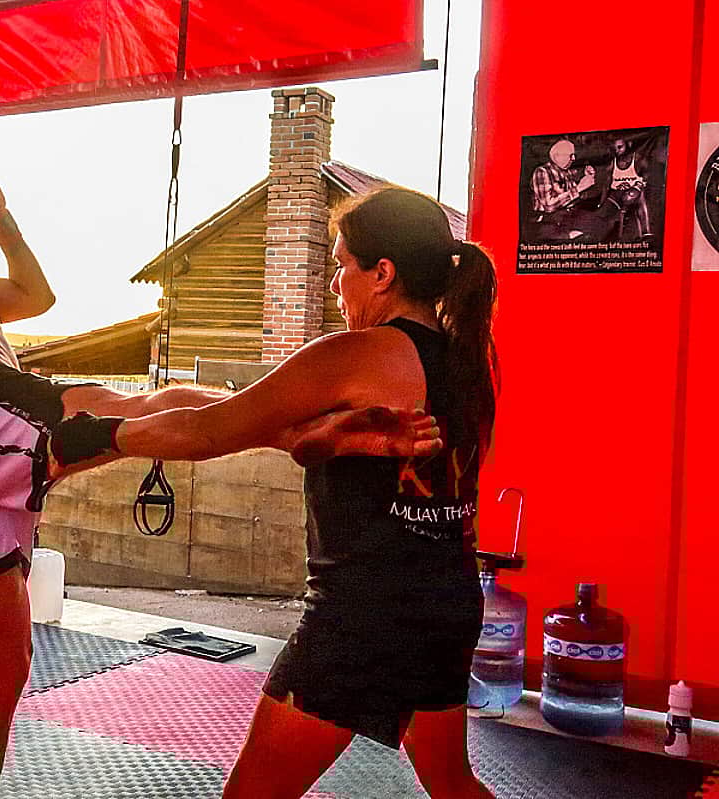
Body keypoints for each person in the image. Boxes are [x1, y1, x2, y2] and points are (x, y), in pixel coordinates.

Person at [0, 138, 443, 799]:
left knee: (8, 663)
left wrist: (1, 219)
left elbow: (39, 297)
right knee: (145, 403)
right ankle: (304, 432)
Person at [52, 187, 500, 799]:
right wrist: (318, 437)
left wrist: (92, 436)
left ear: (382, 274)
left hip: (362, 616)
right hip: (447, 601)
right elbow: (284, 430)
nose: (336, 285)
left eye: (343, 267)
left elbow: (213, 429)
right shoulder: (468, 361)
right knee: (452, 782)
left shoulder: (358, 353)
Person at [529, 138, 600, 241]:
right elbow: (549, 205)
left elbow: (574, 195)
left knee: (600, 224)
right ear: (557, 156)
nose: (574, 158)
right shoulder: (542, 172)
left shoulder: (566, 171)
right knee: (581, 237)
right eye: (570, 155)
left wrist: (586, 177)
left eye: (574, 155)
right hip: (549, 220)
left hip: (568, 214)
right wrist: (579, 188)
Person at [597, 136, 651, 240]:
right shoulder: (613, 163)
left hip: (634, 193)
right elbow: (606, 185)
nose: (617, 151)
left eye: (620, 147)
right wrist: (601, 203)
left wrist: (639, 185)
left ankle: (645, 232)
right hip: (616, 194)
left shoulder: (638, 159)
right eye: (615, 148)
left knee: (636, 196)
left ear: (628, 145)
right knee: (602, 217)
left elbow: (647, 174)